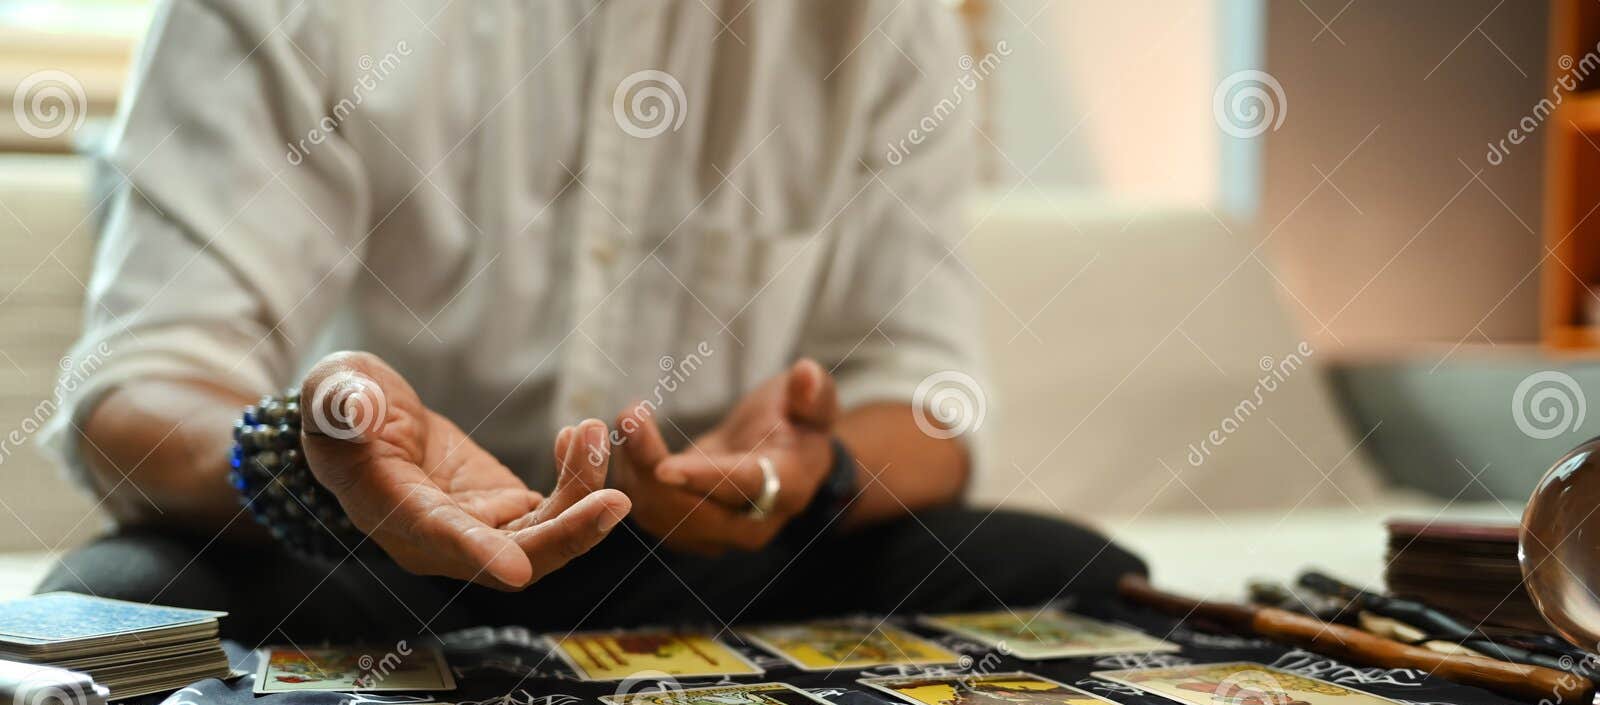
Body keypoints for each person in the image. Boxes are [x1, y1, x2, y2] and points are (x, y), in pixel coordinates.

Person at [38, 0, 1142, 642]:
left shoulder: (887, 23)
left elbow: (923, 392)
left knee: (1068, 574)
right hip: (366, 561)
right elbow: (147, 381)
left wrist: (810, 473)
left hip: (723, 560)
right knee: (116, 606)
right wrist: (309, 460)